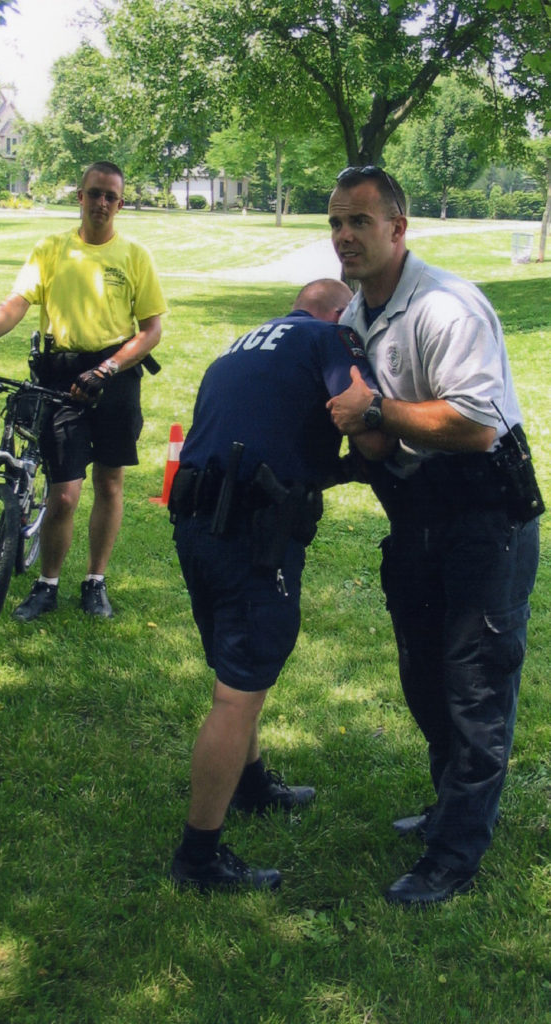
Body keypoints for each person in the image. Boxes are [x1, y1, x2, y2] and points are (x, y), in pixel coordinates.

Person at [326, 166, 543, 906]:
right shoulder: (355, 317)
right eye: (335, 223)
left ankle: (455, 855)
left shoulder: (447, 307)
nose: (345, 236)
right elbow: (374, 438)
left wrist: (376, 413)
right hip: (417, 515)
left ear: (398, 228)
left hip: (486, 514)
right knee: (424, 674)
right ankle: (452, 804)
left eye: (360, 221)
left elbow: (476, 426)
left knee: (473, 683)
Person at [168, 278, 393, 893]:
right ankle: (198, 858)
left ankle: (251, 784)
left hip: (195, 523)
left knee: (237, 673)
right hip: (251, 533)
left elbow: (265, 432)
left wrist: (331, 471)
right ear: (338, 312)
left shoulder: (237, 347)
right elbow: (369, 429)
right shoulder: (329, 339)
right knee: (237, 693)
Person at [0, 161, 168, 621]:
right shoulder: (52, 249)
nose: (102, 203)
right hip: (61, 377)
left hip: (115, 375)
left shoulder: (134, 256)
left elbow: (151, 331)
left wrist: (109, 368)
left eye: (111, 196)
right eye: (95, 193)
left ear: (121, 203)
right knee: (63, 493)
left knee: (109, 483)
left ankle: (94, 581)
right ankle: (47, 584)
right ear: (80, 196)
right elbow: (16, 302)